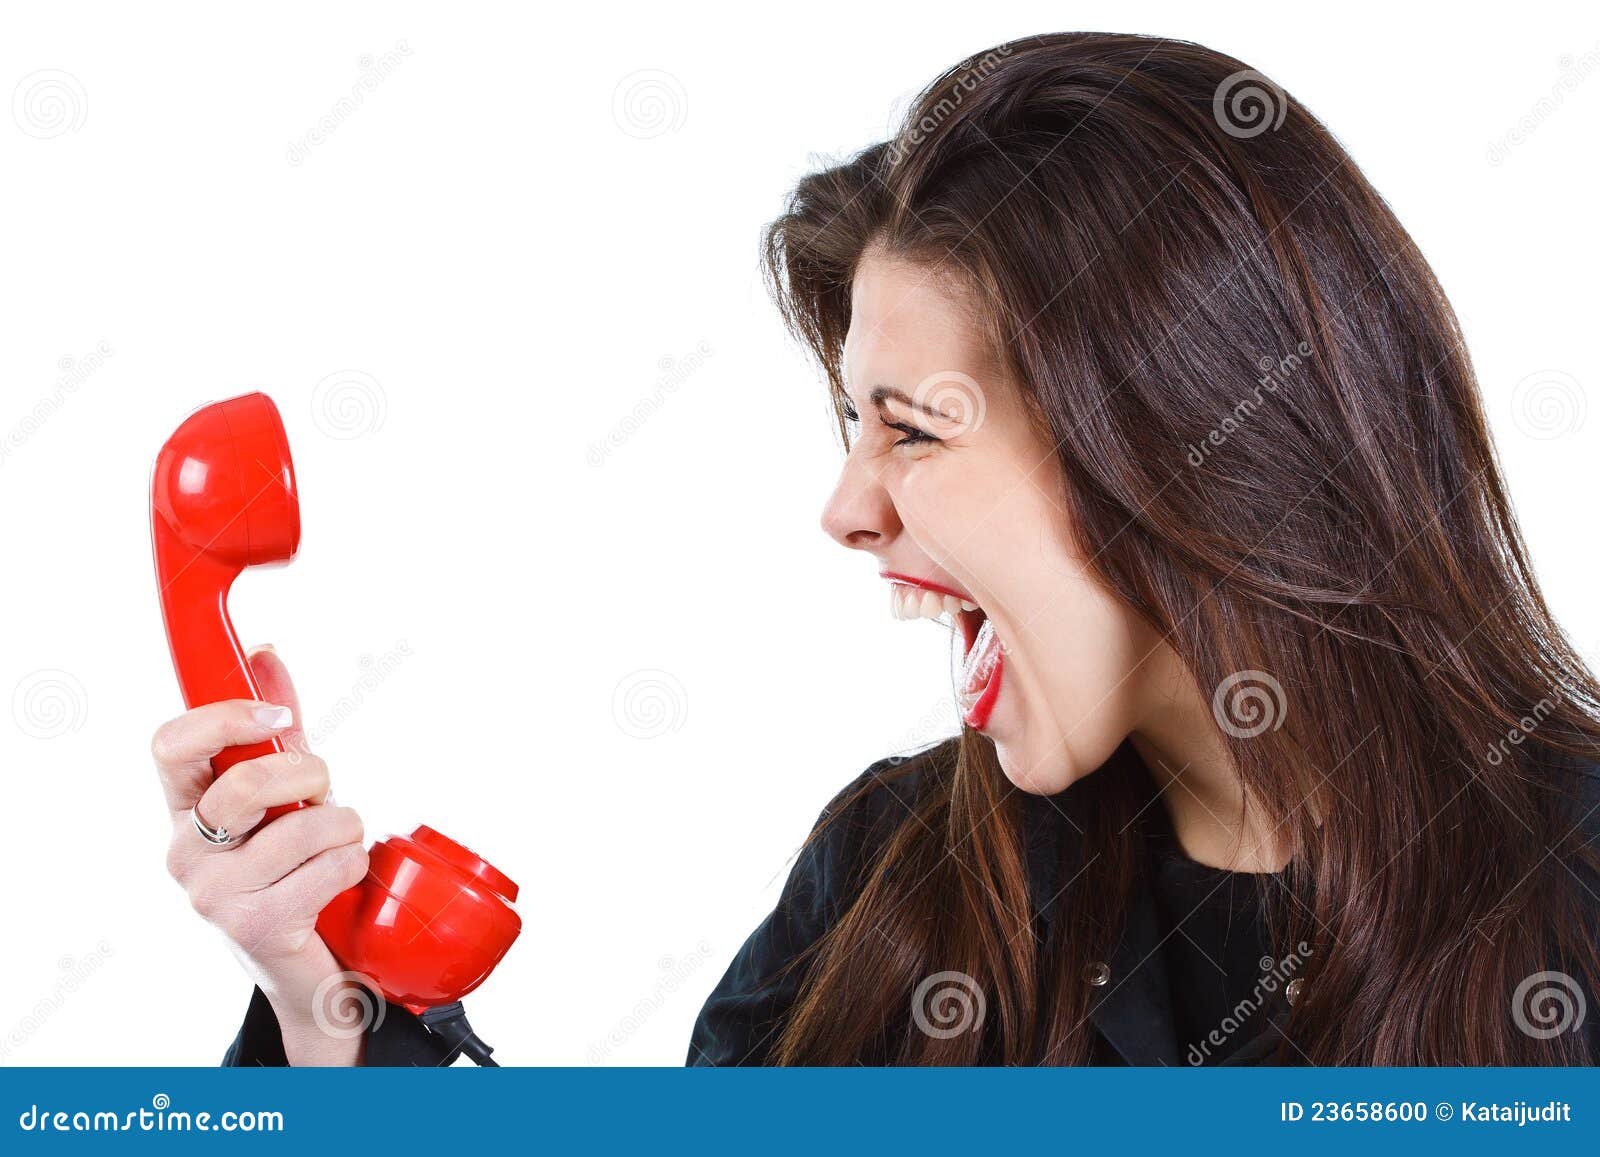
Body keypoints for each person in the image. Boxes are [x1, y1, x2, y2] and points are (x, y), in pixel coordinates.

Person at [154, 32, 1600, 1066]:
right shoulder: (894, 882)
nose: (846, 509)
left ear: (1190, 434)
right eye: (853, 423)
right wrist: (330, 1009)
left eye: (912, 429)